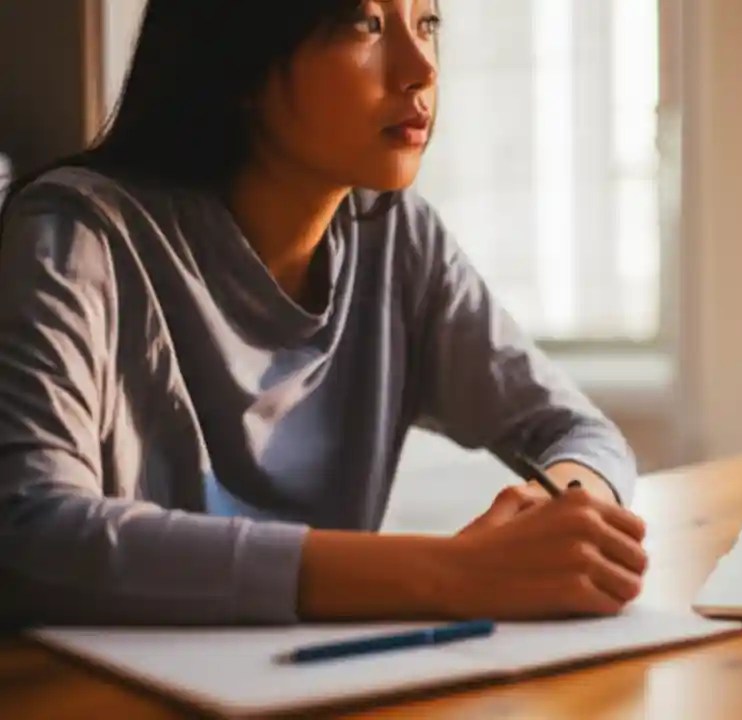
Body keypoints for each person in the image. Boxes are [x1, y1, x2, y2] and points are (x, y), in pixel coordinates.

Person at [0, 0, 648, 627]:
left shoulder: (395, 237)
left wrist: (554, 525)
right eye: (367, 23)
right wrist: (448, 572)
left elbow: (581, 435)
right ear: (238, 56)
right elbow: (32, 532)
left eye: (427, 22)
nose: (420, 66)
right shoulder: (78, 233)